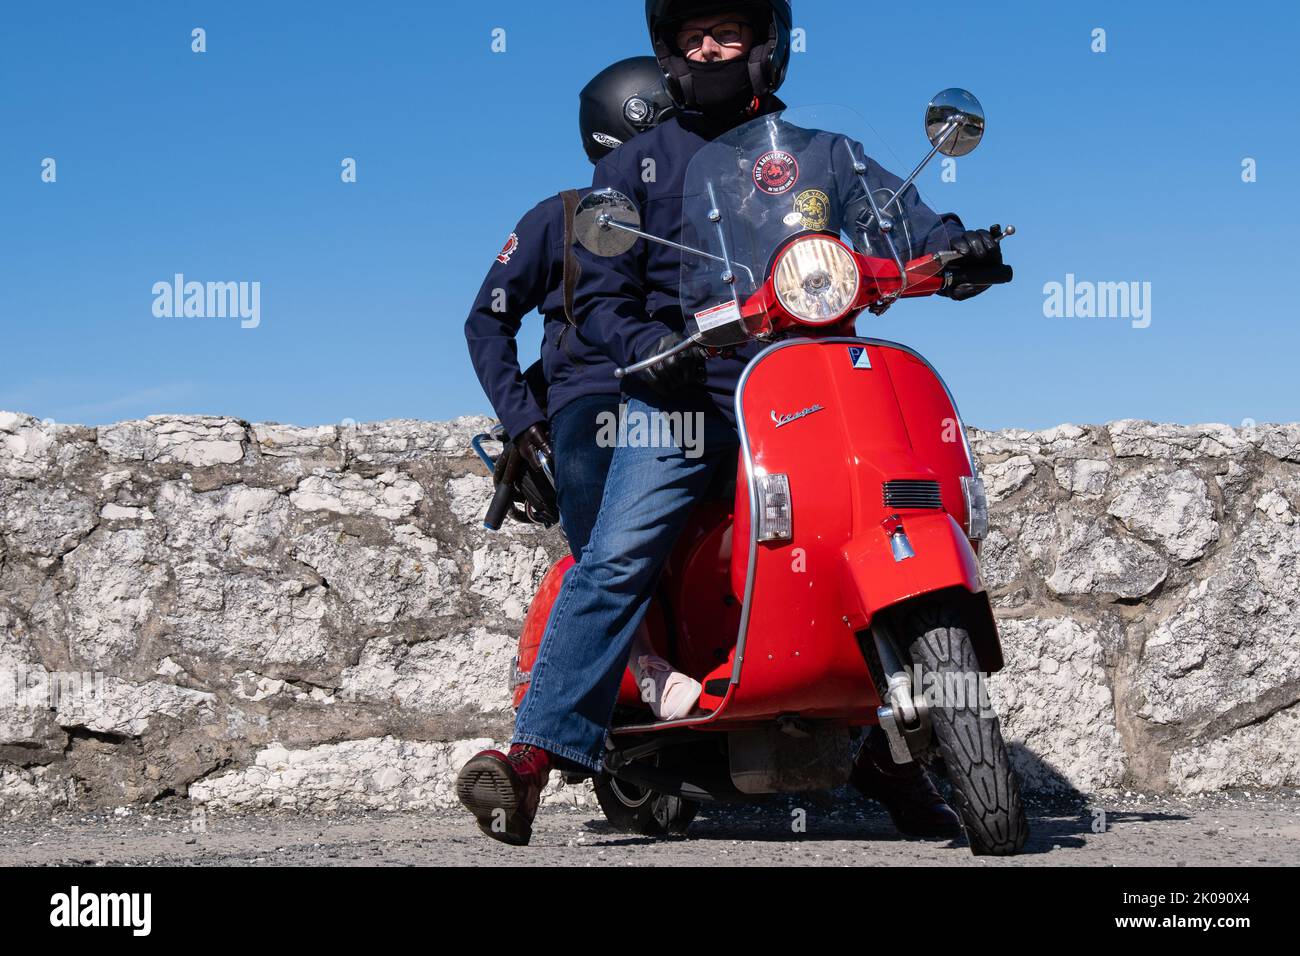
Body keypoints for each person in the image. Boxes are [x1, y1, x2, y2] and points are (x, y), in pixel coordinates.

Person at [457, 0, 1007, 847]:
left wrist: (955, 246)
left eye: (728, 32)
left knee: (894, 512)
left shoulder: (825, 154)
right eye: (692, 37)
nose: (710, 47)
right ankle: (535, 757)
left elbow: (896, 219)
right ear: (671, 54)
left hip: (809, 384)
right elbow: (605, 293)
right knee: (615, 554)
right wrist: (651, 348)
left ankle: (896, 754)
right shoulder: (634, 170)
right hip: (689, 398)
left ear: (766, 46)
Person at [462, 57, 703, 728]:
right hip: (596, 396)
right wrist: (524, 419)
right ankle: (645, 666)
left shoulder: (707, 221)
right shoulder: (560, 217)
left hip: (691, 390)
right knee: (607, 531)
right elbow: (486, 321)